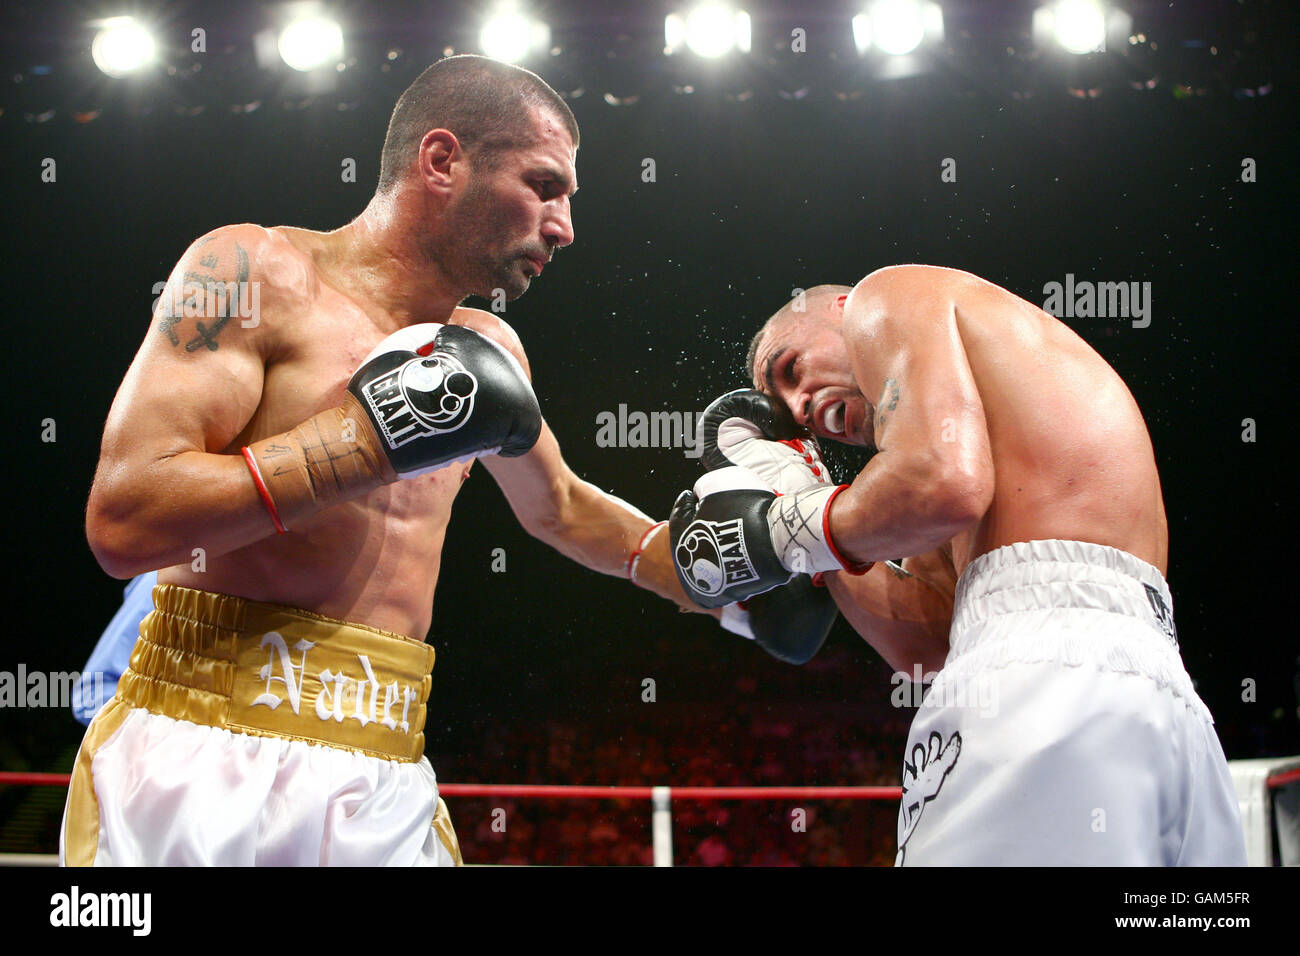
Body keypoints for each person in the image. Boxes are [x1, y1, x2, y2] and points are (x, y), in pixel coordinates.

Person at [62, 54, 693, 867]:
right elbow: (125, 519)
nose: (564, 225)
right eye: (544, 186)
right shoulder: (255, 272)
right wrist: (358, 447)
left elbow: (562, 507)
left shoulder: (488, 350)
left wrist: (726, 576)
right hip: (202, 743)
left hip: (384, 759)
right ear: (442, 161)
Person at [672, 268, 1246, 865]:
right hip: (1159, 705)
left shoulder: (885, 296)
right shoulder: (962, 433)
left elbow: (944, 485)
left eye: (792, 368)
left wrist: (780, 530)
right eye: (790, 412)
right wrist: (805, 501)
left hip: (1046, 686)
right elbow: (928, 648)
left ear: (841, 309)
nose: (800, 407)